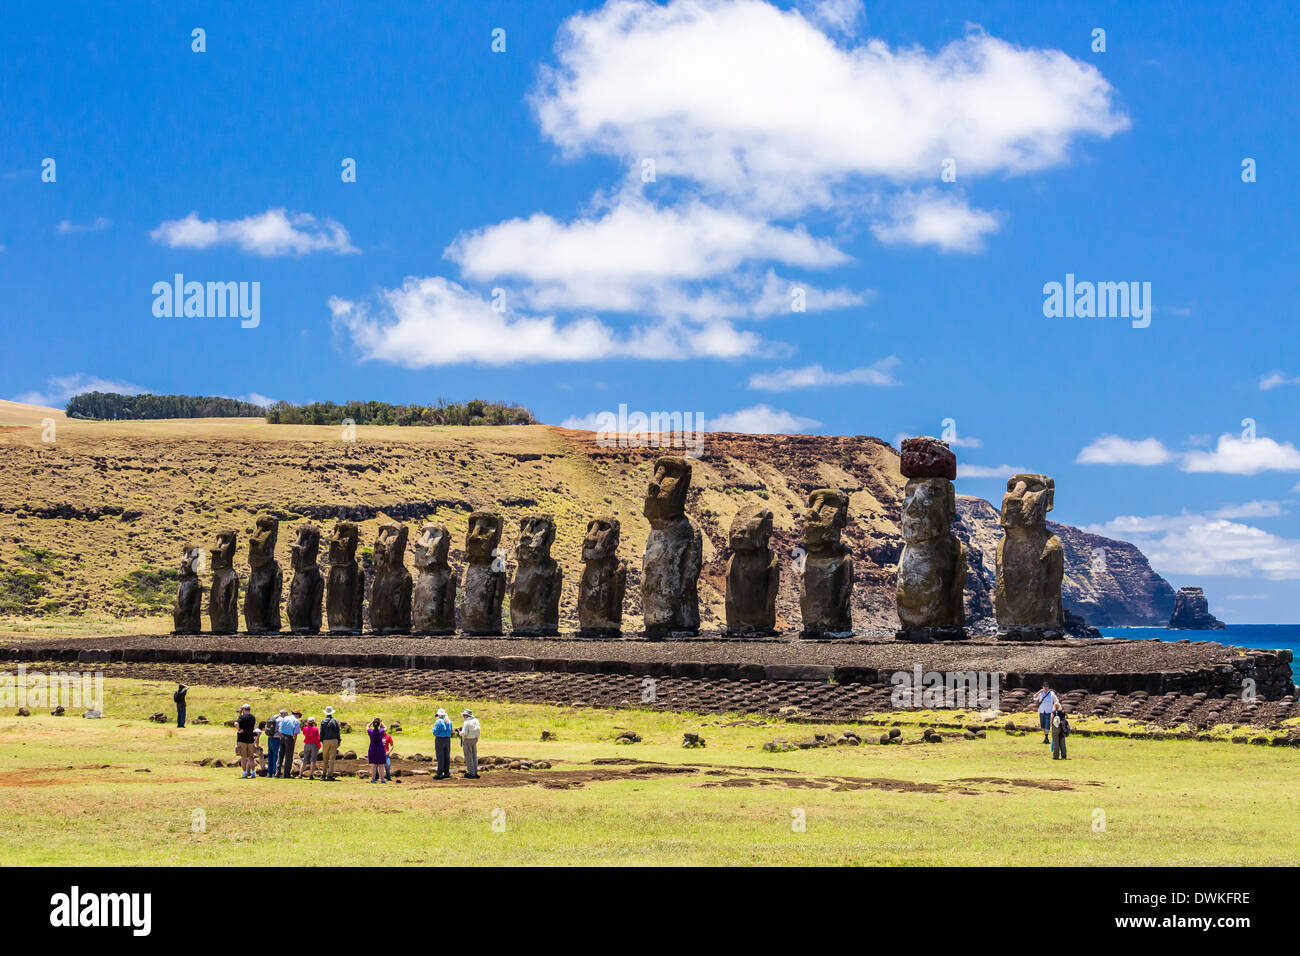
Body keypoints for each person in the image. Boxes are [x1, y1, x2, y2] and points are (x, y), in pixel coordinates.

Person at [276, 709, 301, 778]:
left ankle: (277, 772)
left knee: (280, 755)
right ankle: (286, 774)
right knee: (288, 756)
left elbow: (279, 729)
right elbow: (295, 733)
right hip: (289, 738)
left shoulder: (285, 718)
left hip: (282, 736)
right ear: (297, 715)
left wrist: (282, 737)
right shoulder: (296, 721)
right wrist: (294, 741)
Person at [319, 706, 341, 780]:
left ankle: (323, 774)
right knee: (332, 758)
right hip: (334, 740)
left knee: (325, 757)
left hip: (325, 740)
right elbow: (338, 732)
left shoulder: (323, 721)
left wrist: (322, 740)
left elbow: (321, 732)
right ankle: (330, 775)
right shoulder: (335, 721)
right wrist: (339, 741)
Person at [458, 708, 481, 779]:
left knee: (468, 756)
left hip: (468, 740)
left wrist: (459, 732)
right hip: (475, 739)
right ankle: (475, 771)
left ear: (466, 715)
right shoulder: (476, 721)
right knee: (474, 756)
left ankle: (471, 773)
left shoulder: (466, 722)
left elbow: (464, 733)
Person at [236, 704, 257, 779]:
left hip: (242, 739)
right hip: (250, 739)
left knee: (243, 757)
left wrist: (239, 729)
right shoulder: (253, 717)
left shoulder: (242, 717)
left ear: (243, 709)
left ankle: (245, 772)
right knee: (251, 757)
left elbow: (236, 723)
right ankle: (253, 772)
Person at [432, 708, 453, 779]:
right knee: (446, 756)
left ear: (439, 715)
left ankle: (439, 773)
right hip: (447, 740)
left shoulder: (438, 721)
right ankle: (446, 772)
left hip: (440, 739)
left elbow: (435, 732)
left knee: (440, 757)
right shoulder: (449, 721)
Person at [367, 717, 388, 783]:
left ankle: (373, 779)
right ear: (379, 725)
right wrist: (381, 722)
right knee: (381, 765)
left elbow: (367, 726)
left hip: (372, 748)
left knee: (374, 765)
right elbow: (385, 727)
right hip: (380, 749)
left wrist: (372, 721)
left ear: (373, 725)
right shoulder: (381, 731)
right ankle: (382, 779)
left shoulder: (370, 731)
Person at [265, 711, 282, 778]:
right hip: (276, 738)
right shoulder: (280, 719)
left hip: (270, 738)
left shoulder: (272, 717)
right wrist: (282, 737)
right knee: (276, 756)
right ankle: (274, 773)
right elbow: (279, 729)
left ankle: (269, 773)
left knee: (270, 755)